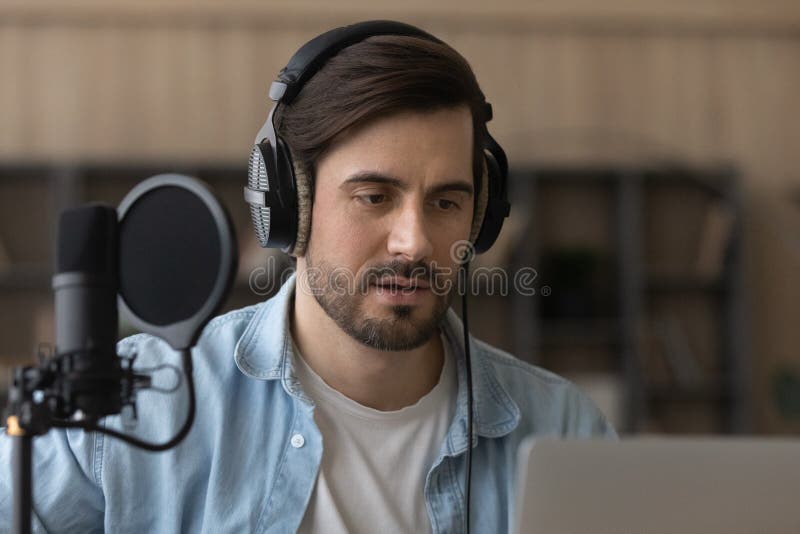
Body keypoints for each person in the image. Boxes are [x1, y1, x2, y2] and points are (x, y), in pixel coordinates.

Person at [0, 21, 615, 533]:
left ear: (480, 217)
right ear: (288, 208)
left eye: (447, 202)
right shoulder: (132, 412)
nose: (415, 241)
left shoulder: (563, 431)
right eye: (374, 197)